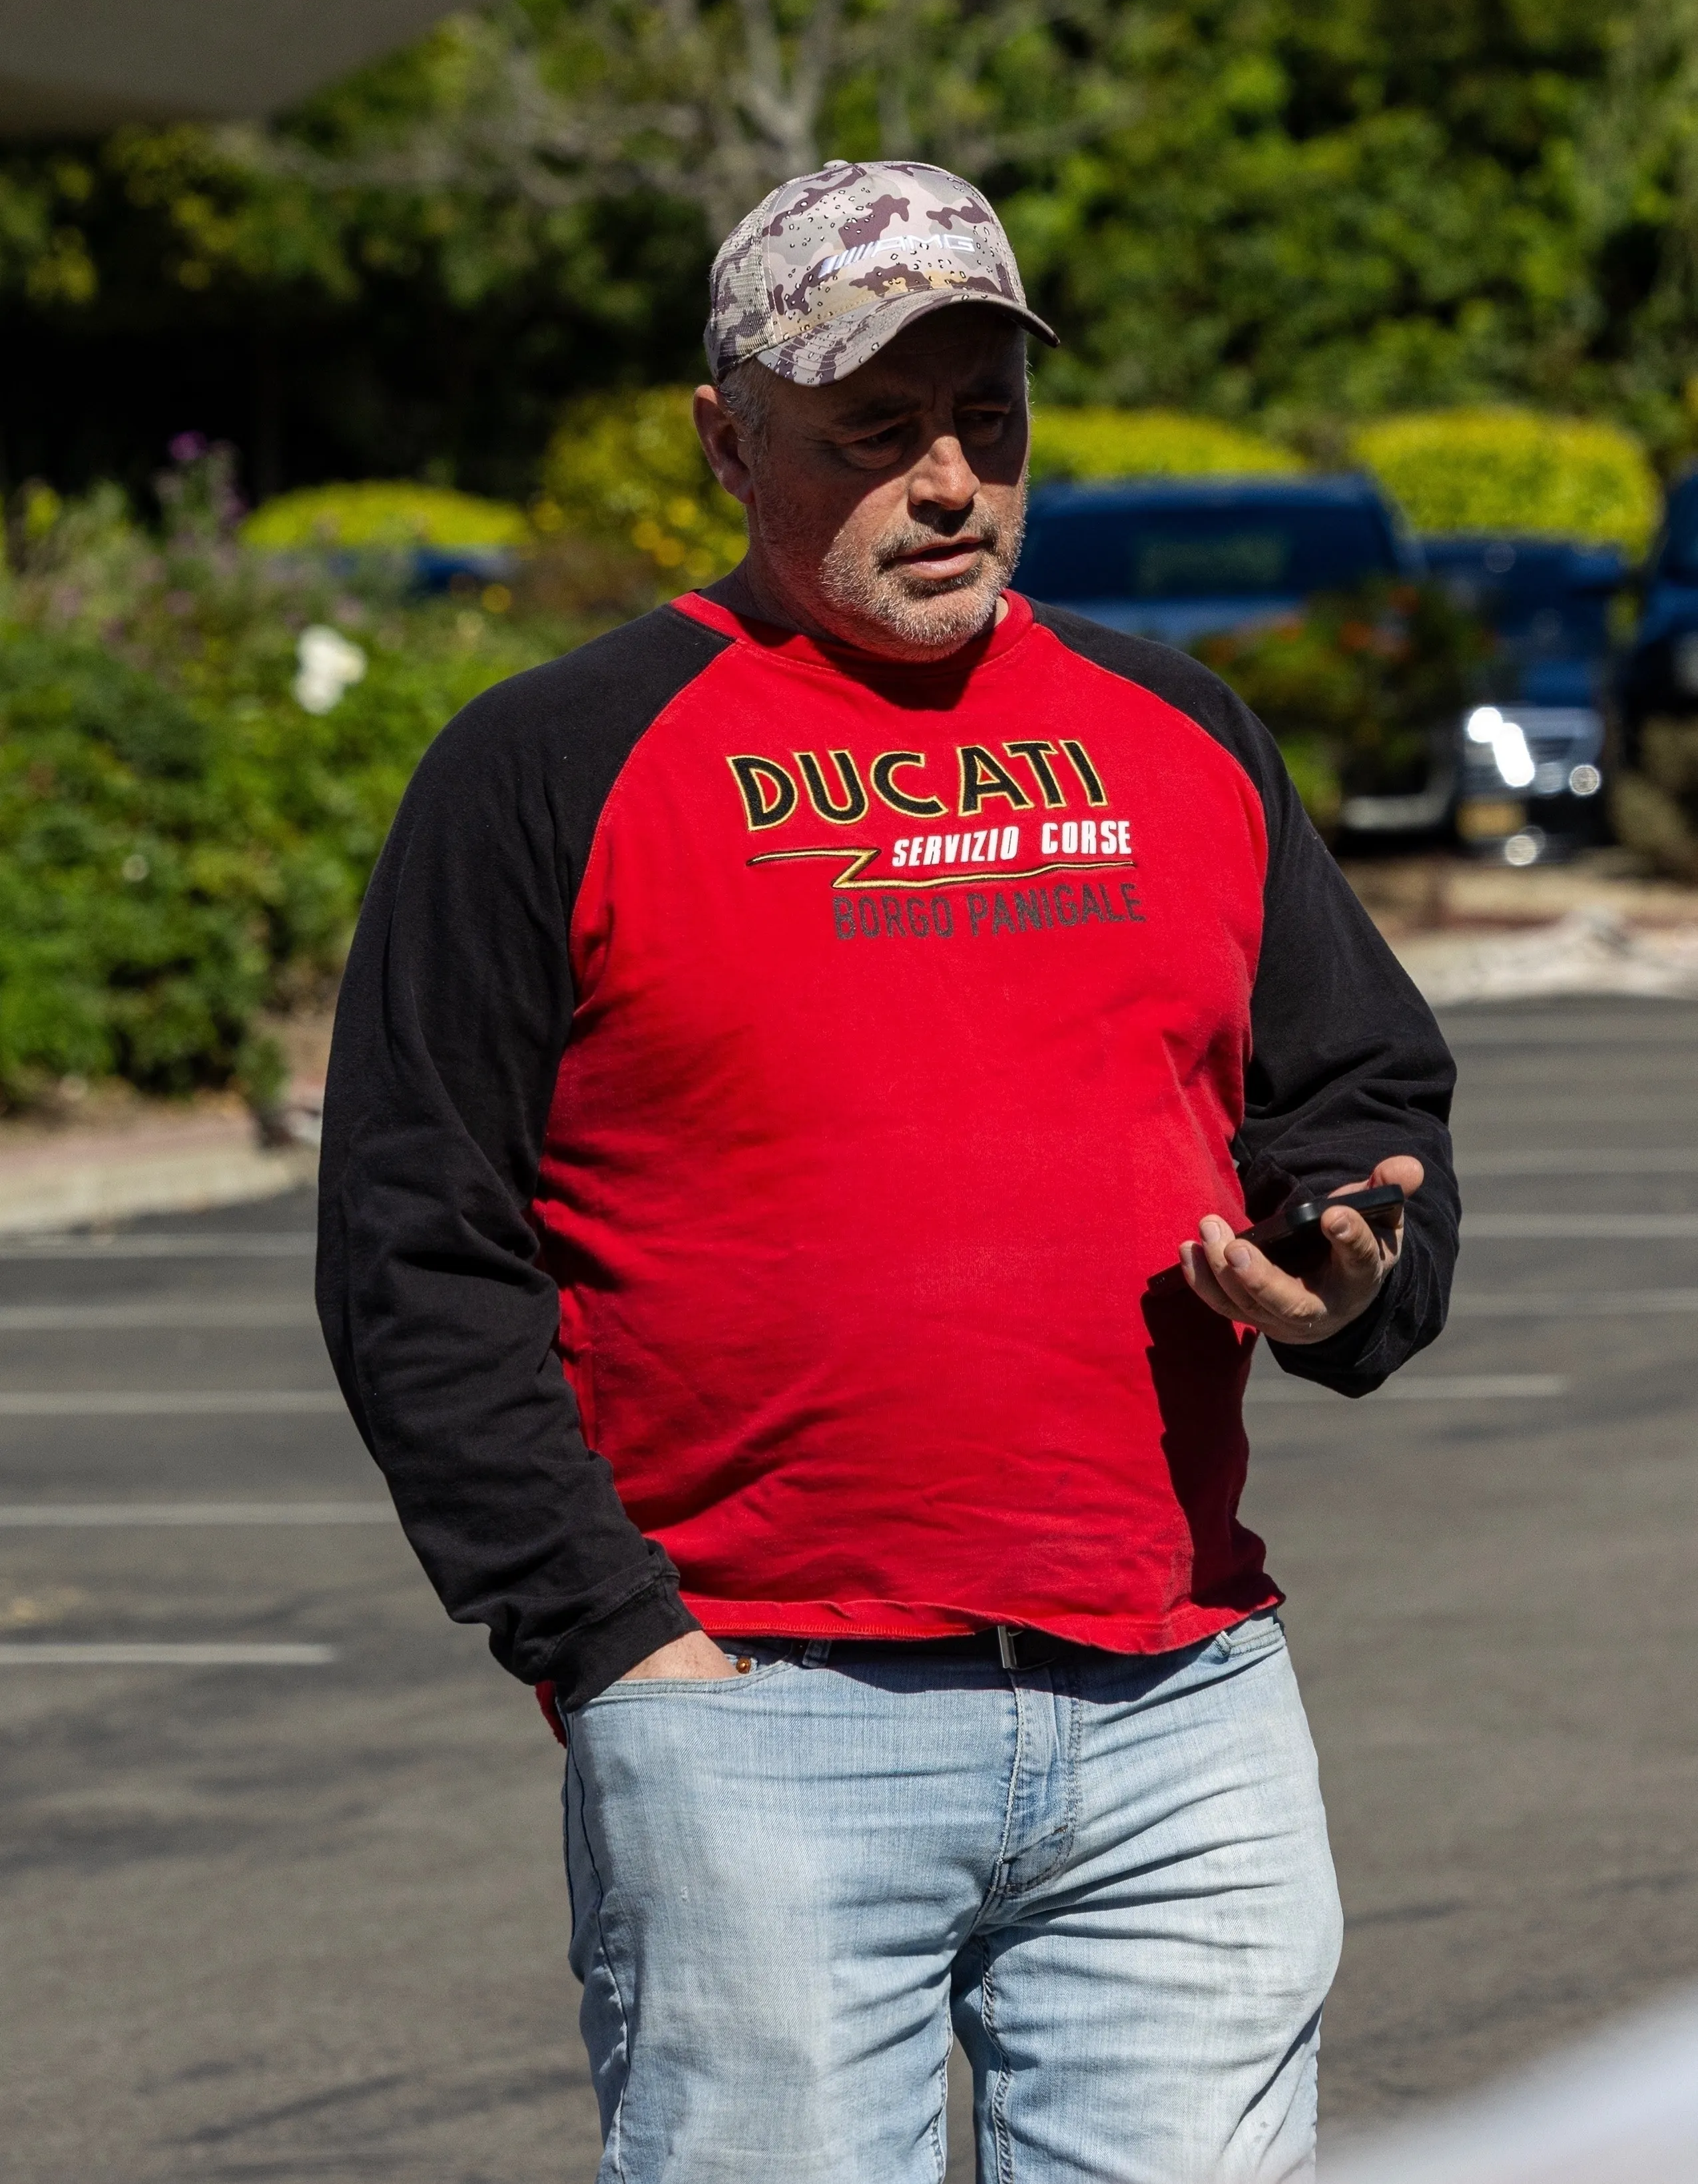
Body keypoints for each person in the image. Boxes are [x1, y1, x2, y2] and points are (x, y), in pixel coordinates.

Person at [317, 159, 1458, 2183]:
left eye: (985, 424)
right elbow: (418, 1237)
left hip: (1175, 1706)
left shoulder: (1174, 728)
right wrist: (607, 1636)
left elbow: (1356, 1086)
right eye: (873, 431)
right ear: (722, 433)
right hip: (758, 1712)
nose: (948, 482)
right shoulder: (550, 764)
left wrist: (1355, 1259)